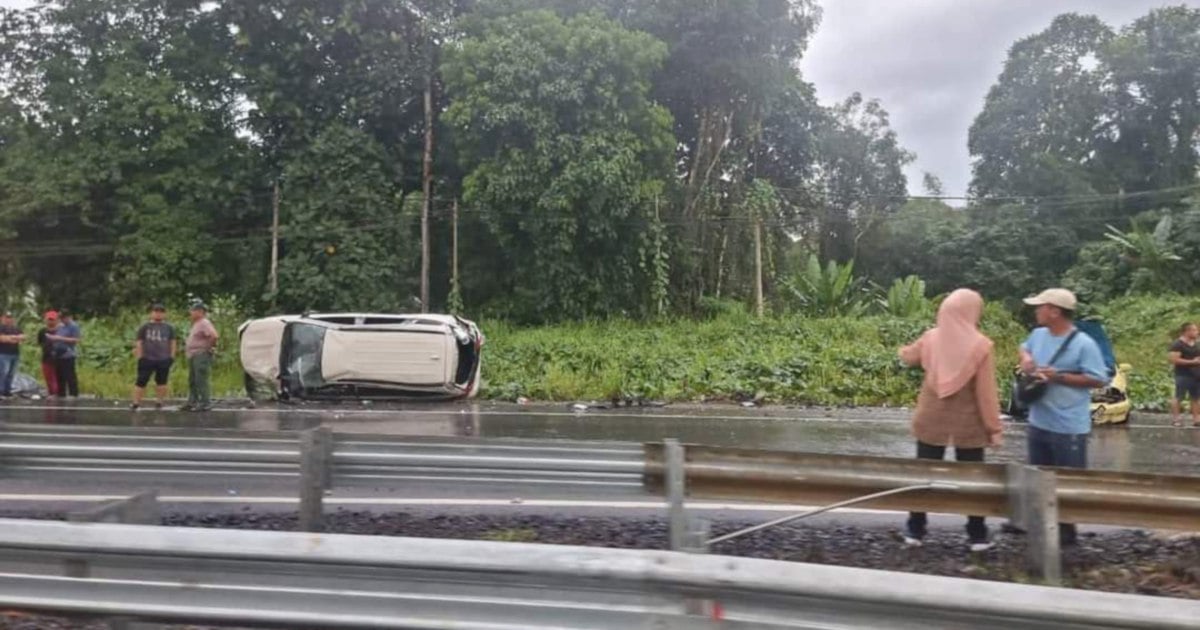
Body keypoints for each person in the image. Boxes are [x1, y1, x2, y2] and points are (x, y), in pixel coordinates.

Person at [898, 289, 1004, 552]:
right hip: (968, 425)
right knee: (972, 479)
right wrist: (994, 429)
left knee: (924, 475)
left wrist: (904, 350)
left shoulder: (931, 338)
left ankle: (915, 530)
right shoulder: (981, 346)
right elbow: (986, 394)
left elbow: (908, 356)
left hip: (930, 420)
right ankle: (976, 534)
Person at [1018, 288, 1107, 547]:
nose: (1036, 311)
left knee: (1068, 482)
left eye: (1040, 306)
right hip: (1038, 421)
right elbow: (1025, 348)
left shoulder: (1084, 344)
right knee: (1038, 477)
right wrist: (1026, 359)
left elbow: (1098, 378)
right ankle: (1040, 529)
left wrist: (1058, 377)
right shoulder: (1038, 334)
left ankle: (1067, 534)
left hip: (1069, 426)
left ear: (1055, 311)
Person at [132, 303, 177, 411]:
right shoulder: (144, 327)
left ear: (164, 314)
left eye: (161, 312)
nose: (158, 314)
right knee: (141, 380)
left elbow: (173, 342)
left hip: (163, 358)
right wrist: (140, 356)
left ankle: (159, 402)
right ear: (151, 313)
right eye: (156, 311)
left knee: (162, 381)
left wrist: (172, 356)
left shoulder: (169, 327)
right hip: (147, 358)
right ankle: (136, 402)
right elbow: (139, 342)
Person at [184, 301, 219, 412]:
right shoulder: (196, 323)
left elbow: (214, 335)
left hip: (201, 354)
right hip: (193, 355)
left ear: (200, 312)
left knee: (201, 379)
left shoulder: (204, 322)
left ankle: (205, 402)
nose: (191, 313)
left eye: (193, 311)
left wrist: (210, 347)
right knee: (192, 379)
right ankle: (192, 401)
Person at [1168, 323, 1200, 427]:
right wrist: (1192, 362)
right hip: (1183, 375)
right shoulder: (1178, 344)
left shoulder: (1196, 344)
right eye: (1194, 330)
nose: (1197, 332)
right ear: (1187, 331)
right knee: (1179, 397)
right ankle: (1176, 419)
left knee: (1195, 397)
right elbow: (1174, 360)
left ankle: (1196, 419)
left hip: (1196, 375)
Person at [52, 308, 82, 398]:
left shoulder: (74, 326)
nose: (62, 320)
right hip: (59, 353)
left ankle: (73, 393)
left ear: (68, 317)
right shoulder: (61, 326)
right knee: (59, 375)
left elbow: (76, 340)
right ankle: (61, 393)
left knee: (69, 374)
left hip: (68, 353)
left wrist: (60, 339)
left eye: (63, 318)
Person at [36, 311, 61, 397]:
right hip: (46, 357)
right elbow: (40, 343)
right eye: (49, 319)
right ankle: (51, 392)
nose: (50, 321)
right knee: (48, 376)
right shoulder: (42, 331)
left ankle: (57, 393)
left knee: (57, 377)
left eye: (52, 320)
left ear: (57, 320)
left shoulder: (61, 331)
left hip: (59, 357)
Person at [0, 311, 24, 399]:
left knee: (11, 373)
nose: (8, 319)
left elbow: (23, 337)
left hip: (15, 354)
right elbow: (2, 339)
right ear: (2, 318)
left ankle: (7, 391)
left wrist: (10, 338)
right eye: (7, 317)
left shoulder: (16, 328)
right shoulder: (1, 328)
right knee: (3, 373)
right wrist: (15, 338)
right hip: (3, 354)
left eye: (10, 317)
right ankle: (1, 391)